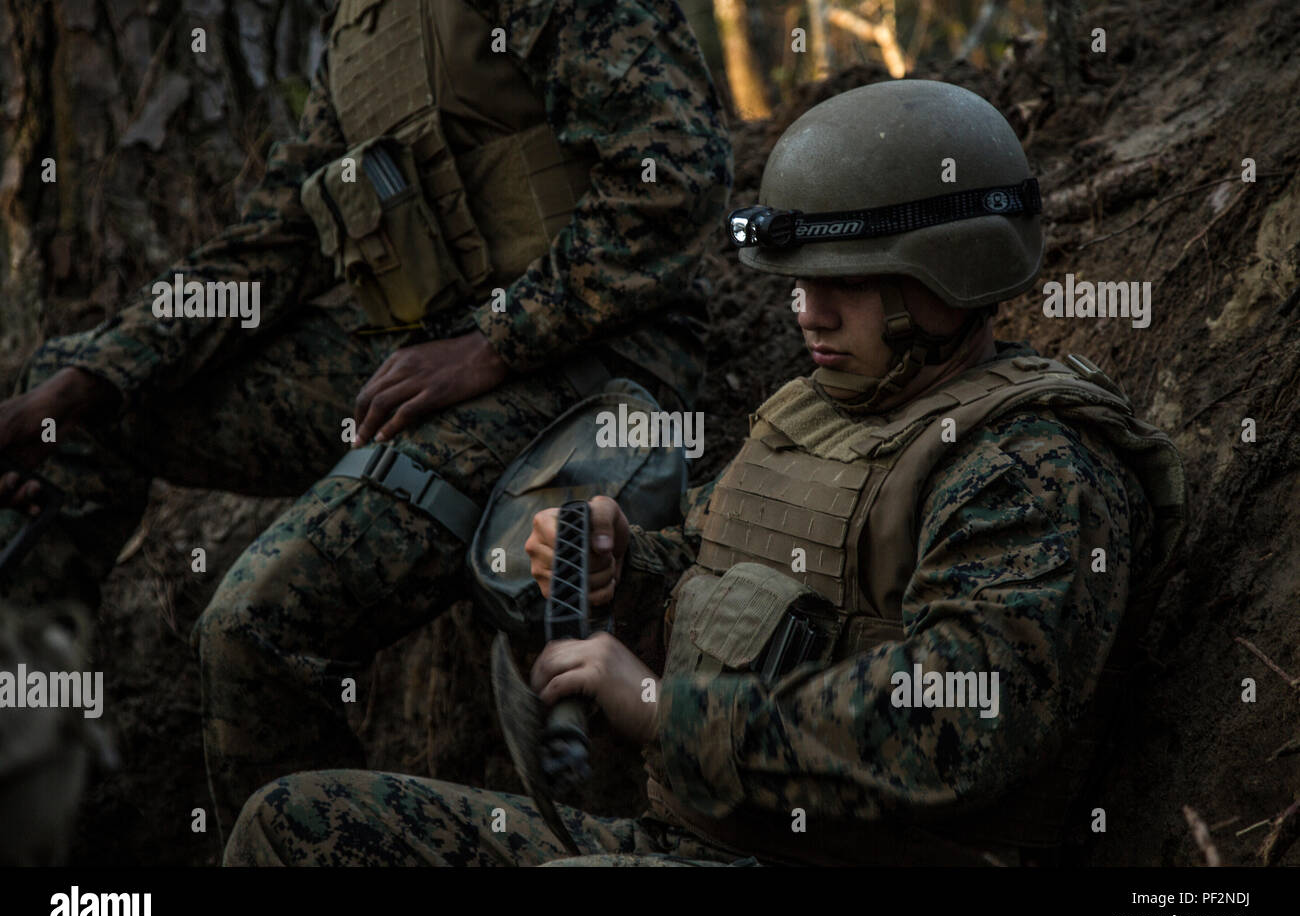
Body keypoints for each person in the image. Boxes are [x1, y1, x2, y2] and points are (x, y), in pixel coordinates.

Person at [223, 79, 1186, 867]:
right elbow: (735, 555)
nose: (806, 313)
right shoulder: (823, 407)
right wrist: (623, 563)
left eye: (840, 284)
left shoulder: (1032, 466)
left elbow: (964, 721)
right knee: (288, 825)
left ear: (945, 274)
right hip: (690, 842)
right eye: (798, 285)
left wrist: (654, 707)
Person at [0, 0, 732, 841]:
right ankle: (38, 784)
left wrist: (492, 342)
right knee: (74, 412)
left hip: (591, 362)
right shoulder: (362, 22)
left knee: (252, 632)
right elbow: (275, 242)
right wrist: (83, 383)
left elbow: (675, 179)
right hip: (421, 345)